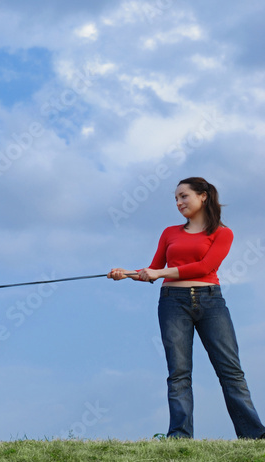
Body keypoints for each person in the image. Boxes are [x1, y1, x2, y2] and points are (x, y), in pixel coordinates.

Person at [109, 177, 265, 439]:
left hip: (211, 301)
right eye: (176, 199)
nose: (179, 202)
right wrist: (125, 274)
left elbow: (204, 267)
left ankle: (253, 435)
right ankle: (180, 435)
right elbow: (153, 269)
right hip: (172, 301)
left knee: (230, 370)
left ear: (203, 196)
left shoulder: (222, 233)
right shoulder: (169, 233)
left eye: (184, 196)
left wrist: (158, 272)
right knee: (179, 373)